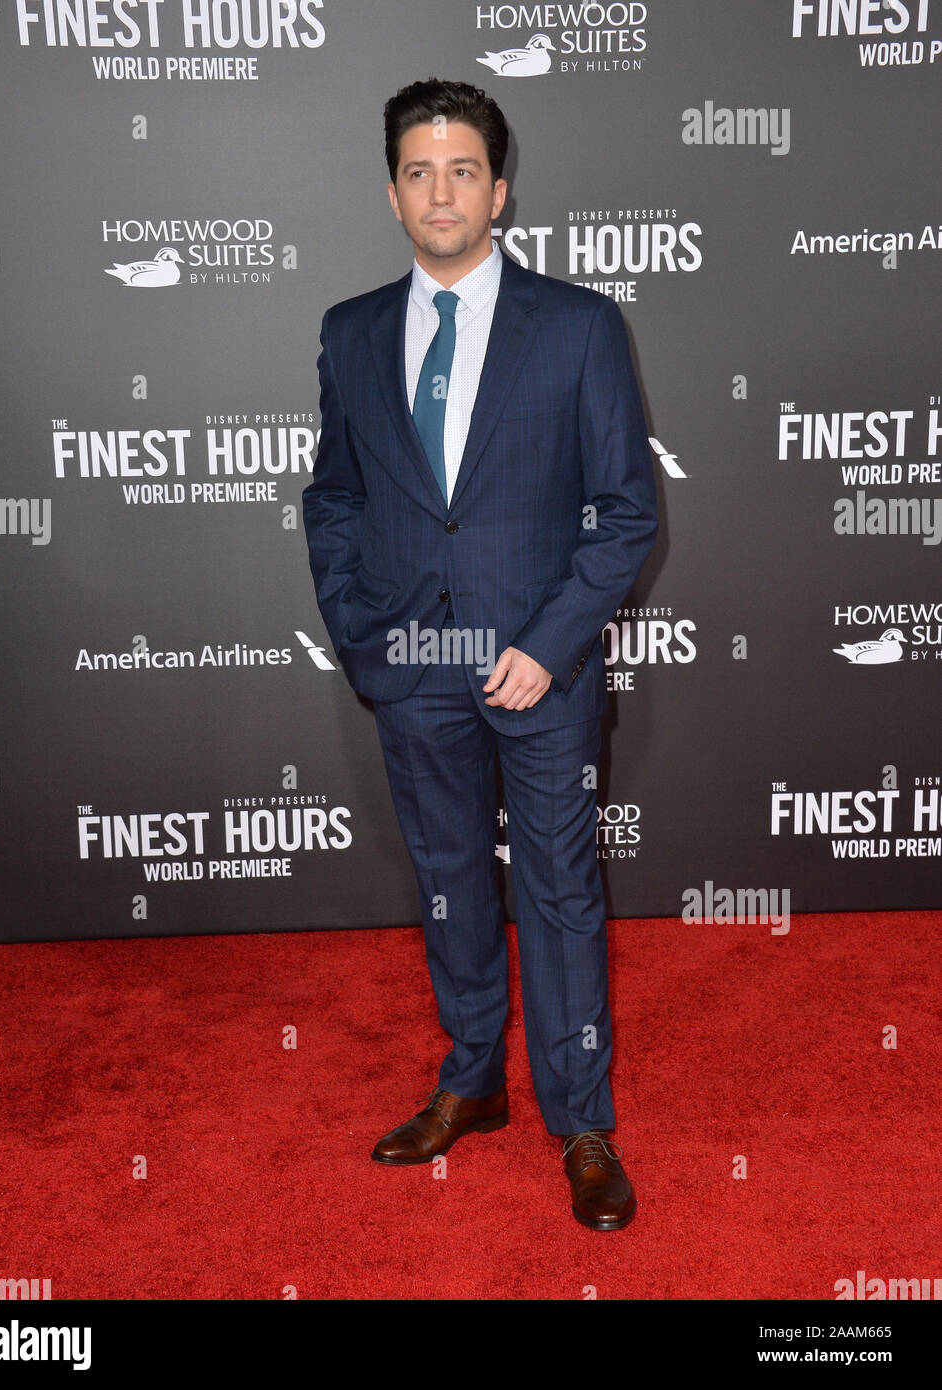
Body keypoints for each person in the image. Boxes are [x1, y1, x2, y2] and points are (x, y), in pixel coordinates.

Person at [302, 78, 658, 1230]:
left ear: (499, 189)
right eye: (418, 170)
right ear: (392, 193)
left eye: (463, 170)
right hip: (412, 671)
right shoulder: (352, 332)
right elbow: (337, 499)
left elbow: (627, 512)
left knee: (557, 892)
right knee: (453, 884)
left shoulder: (579, 325)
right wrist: (365, 640)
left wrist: (550, 648)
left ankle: (582, 1117)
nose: (440, 191)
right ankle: (471, 1081)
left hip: (538, 674)